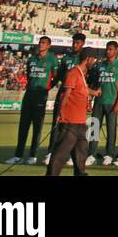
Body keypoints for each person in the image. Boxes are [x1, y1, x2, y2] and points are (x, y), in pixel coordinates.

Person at [7, 35, 58, 166]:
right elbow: (29, 75)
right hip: (29, 94)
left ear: (48, 46)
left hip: (41, 95)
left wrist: (47, 88)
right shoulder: (32, 59)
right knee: (23, 126)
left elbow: (56, 77)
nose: (41, 45)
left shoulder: (52, 59)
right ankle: (18, 155)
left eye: (44, 43)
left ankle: (33, 155)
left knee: (37, 127)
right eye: (40, 42)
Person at [46, 48, 97, 177]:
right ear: (88, 59)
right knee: (60, 155)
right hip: (70, 122)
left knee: (81, 155)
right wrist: (60, 113)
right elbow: (65, 94)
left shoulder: (81, 74)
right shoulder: (73, 73)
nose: (94, 62)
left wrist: (93, 95)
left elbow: (83, 91)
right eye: (94, 59)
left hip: (80, 122)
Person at [44, 32, 85, 165]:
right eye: (73, 42)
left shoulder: (83, 60)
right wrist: (48, 88)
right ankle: (51, 152)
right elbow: (58, 77)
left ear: (83, 44)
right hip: (63, 95)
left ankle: (71, 155)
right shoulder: (66, 58)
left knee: (73, 129)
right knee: (57, 125)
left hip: (76, 99)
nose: (75, 45)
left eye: (77, 43)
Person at [89, 41, 118, 166]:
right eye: (107, 49)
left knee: (111, 130)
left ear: (116, 51)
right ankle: (91, 154)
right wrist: (90, 100)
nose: (108, 51)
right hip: (98, 101)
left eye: (110, 49)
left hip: (111, 102)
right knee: (94, 128)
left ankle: (109, 154)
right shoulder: (100, 66)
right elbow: (93, 84)